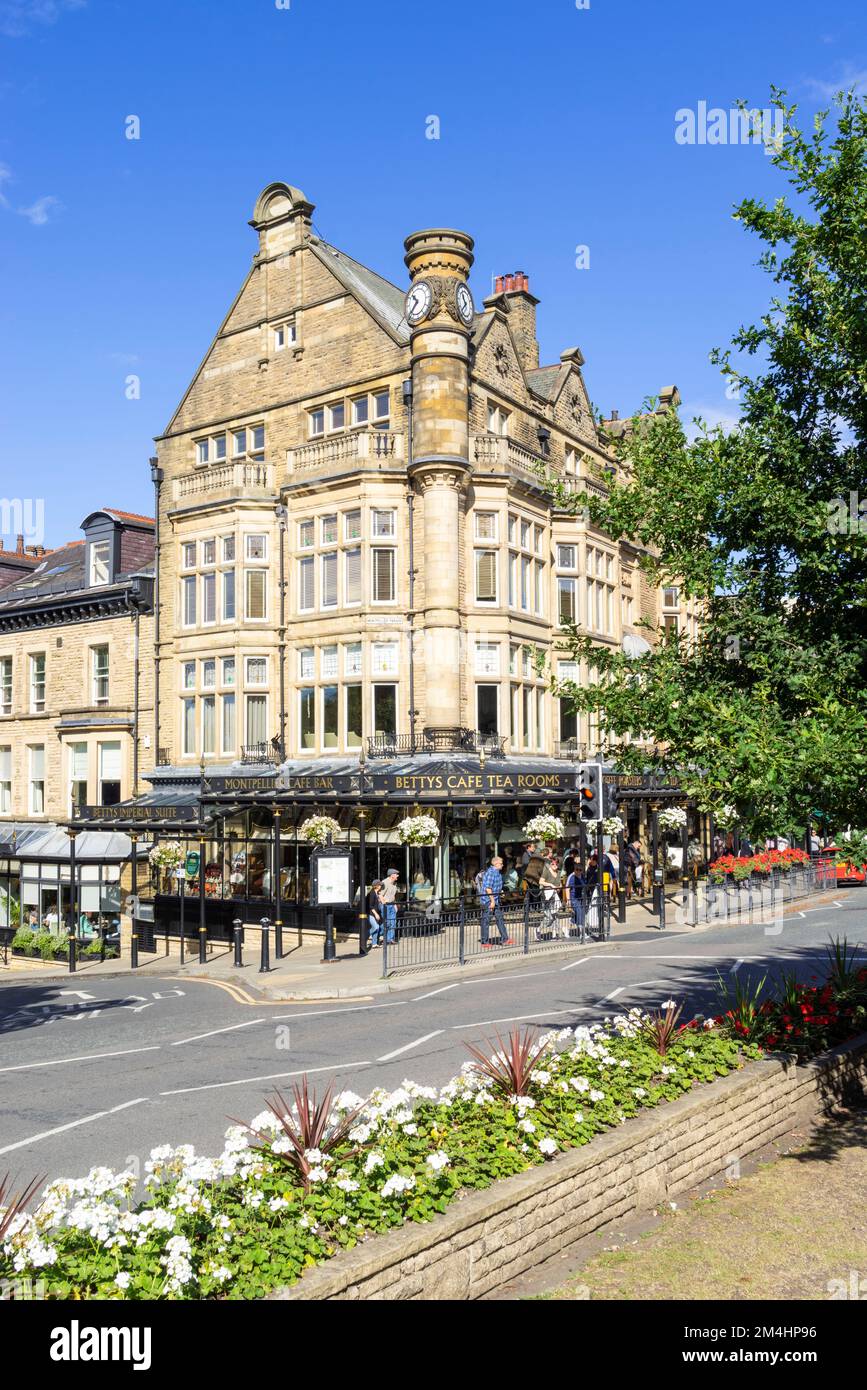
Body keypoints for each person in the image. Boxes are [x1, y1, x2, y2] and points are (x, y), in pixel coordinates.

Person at [480, 855, 511, 948]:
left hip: (496, 900)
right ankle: (484, 942)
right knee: (486, 921)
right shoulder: (490, 873)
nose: (502, 865)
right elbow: (488, 889)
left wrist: (500, 892)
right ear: (496, 864)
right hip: (488, 901)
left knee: (500, 919)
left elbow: (495, 887)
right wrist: (492, 901)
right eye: (501, 863)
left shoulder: (497, 873)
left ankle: (505, 939)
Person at [538, 852, 562, 938]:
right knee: (549, 916)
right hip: (546, 896)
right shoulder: (547, 871)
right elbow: (541, 882)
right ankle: (538, 930)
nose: (554, 865)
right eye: (552, 863)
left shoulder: (559, 873)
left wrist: (559, 887)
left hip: (554, 895)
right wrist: (550, 885)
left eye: (556, 863)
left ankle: (554, 933)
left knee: (555, 915)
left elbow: (559, 884)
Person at [566, 862, 586, 939]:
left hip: (581, 898)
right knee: (579, 912)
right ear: (574, 870)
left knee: (577, 915)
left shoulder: (582, 876)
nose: (578, 871)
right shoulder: (571, 877)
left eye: (580, 870)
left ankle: (567, 928)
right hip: (574, 898)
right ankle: (582, 933)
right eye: (576, 870)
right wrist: (568, 900)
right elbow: (567, 888)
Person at [379, 868, 400, 944]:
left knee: (393, 922)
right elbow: (380, 895)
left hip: (391, 905)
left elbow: (393, 895)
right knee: (386, 923)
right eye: (396, 874)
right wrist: (384, 904)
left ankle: (390, 939)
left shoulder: (394, 884)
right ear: (392, 875)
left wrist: (395, 905)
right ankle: (379, 935)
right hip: (386, 905)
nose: (397, 875)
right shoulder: (385, 883)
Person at [366, 880, 384, 948]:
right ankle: (365, 936)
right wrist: (376, 914)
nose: (380, 886)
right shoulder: (372, 894)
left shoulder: (377, 893)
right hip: (371, 913)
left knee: (380, 928)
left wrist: (380, 899)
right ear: (376, 886)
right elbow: (370, 906)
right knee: (376, 927)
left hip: (376, 913)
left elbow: (382, 903)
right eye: (379, 885)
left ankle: (374, 943)